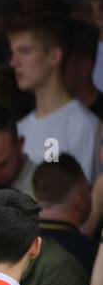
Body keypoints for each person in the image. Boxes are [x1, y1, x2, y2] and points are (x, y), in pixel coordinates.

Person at [11, 14, 101, 184]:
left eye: (25, 51)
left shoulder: (82, 124)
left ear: (54, 56)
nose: (14, 62)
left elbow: (83, 200)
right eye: (13, 53)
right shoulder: (19, 128)